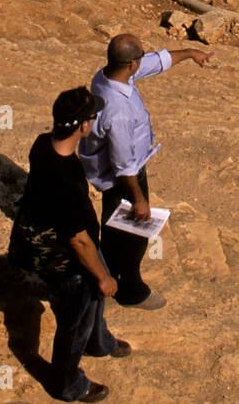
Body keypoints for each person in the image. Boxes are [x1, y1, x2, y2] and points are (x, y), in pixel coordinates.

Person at [9, 87, 130, 404]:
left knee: (92, 300)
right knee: (75, 318)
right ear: (82, 126)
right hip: (64, 256)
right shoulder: (64, 183)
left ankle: (99, 342)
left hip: (48, 237)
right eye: (91, 116)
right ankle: (67, 383)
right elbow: (78, 241)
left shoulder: (42, 145)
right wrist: (103, 277)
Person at [80, 33, 210, 309]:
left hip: (118, 170)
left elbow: (152, 63)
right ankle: (128, 290)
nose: (143, 60)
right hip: (122, 179)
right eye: (140, 56)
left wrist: (188, 53)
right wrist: (138, 199)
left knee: (117, 231)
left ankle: (108, 268)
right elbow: (123, 165)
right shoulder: (118, 111)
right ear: (130, 65)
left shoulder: (106, 77)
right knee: (132, 236)